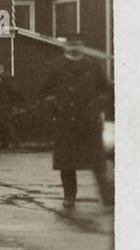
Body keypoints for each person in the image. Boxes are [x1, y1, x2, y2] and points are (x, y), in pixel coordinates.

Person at [40, 38, 114, 209]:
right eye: (71, 44)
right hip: (65, 120)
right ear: (65, 46)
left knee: (98, 161)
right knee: (66, 162)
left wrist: (99, 103)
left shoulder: (94, 65)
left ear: (82, 46)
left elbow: (105, 89)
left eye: (78, 44)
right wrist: (52, 104)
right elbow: (44, 91)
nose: (74, 47)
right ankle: (69, 196)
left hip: (90, 120)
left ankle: (107, 196)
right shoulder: (54, 66)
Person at [0, 60, 21, 149]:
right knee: (3, 123)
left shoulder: (7, 77)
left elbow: (14, 90)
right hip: (2, 103)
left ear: (3, 66)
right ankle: (5, 143)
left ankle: (15, 143)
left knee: (7, 123)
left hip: (7, 103)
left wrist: (13, 103)